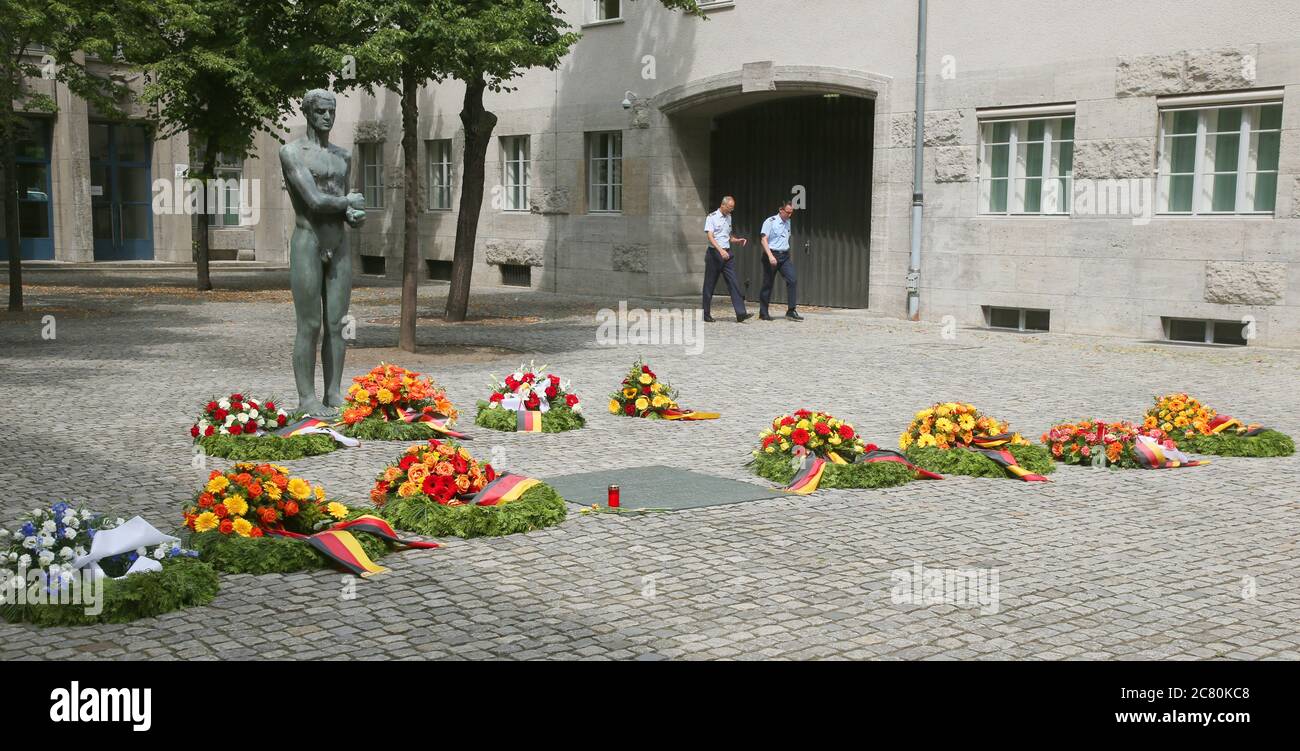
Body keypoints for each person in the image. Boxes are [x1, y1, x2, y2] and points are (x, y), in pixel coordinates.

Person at [279, 89, 367, 417]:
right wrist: (350, 203)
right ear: (307, 113)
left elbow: (345, 203)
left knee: (338, 322)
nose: (327, 117)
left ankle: (334, 392)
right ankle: (306, 399)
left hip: (339, 244)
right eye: (320, 111)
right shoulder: (291, 153)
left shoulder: (343, 157)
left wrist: (354, 215)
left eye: (331, 111)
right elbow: (314, 200)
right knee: (310, 323)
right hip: (307, 241)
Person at [702, 195, 751, 323]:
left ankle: (741, 313)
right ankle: (706, 314)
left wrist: (736, 240)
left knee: (733, 282)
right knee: (709, 285)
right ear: (722, 205)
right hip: (714, 254)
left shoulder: (729, 217)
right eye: (729, 207)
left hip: (727, 254)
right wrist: (720, 250)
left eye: (732, 208)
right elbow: (711, 237)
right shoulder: (711, 217)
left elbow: (727, 235)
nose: (731, 210)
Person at [759, 200, 802, 321]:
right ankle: (763, 312)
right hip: (771, 255)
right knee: (768, 284)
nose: (789, 215)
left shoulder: (788, 222)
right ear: (781, 210)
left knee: (792, 279)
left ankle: (791, 310)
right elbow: (763, 240)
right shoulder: (770, 221)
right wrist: (770, 256)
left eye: (791, 213)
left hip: (784, 256)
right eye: (787, 212)